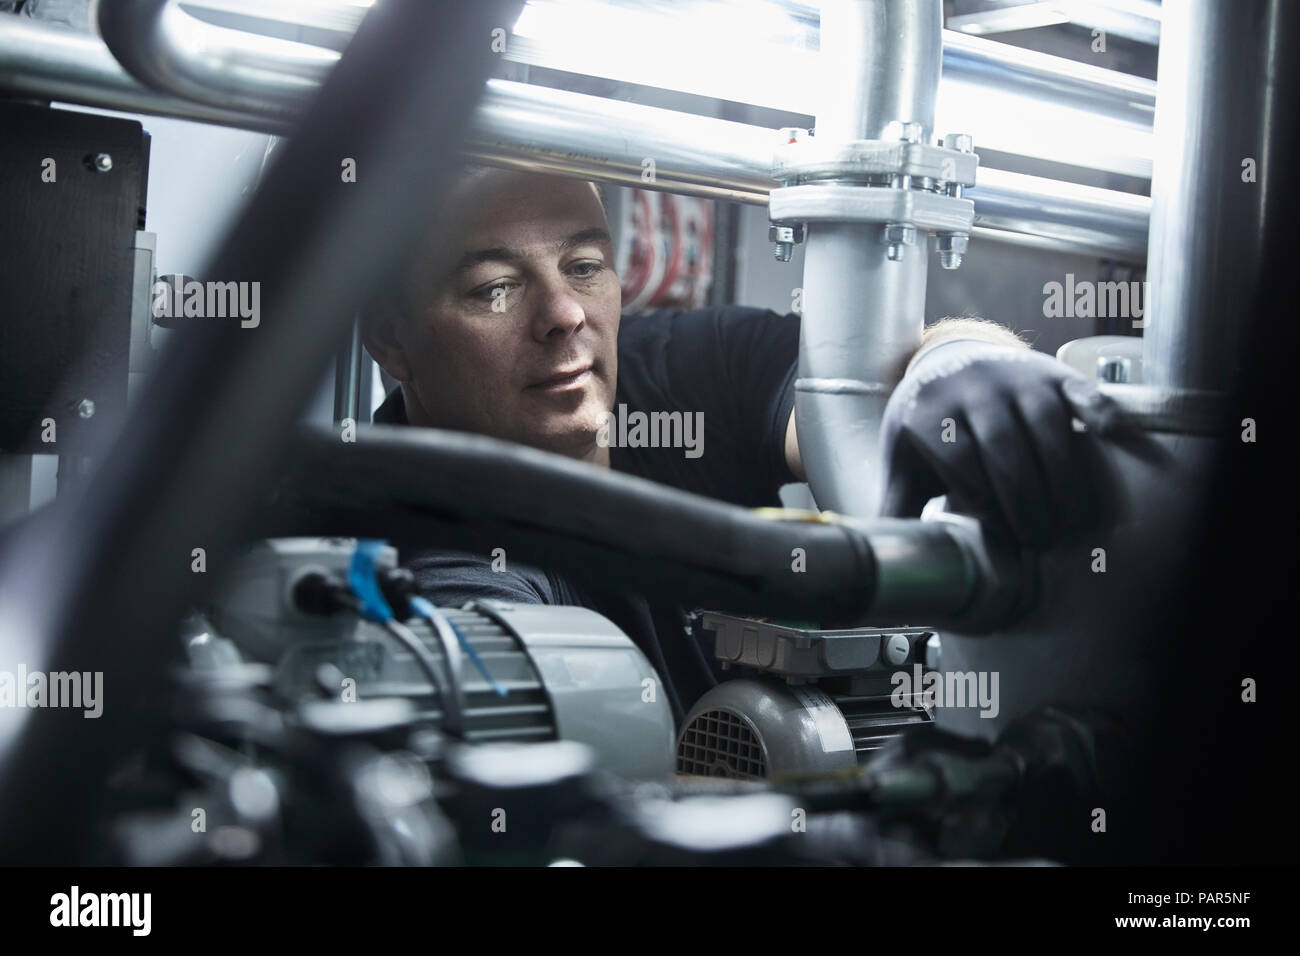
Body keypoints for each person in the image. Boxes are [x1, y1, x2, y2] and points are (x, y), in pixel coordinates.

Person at [361, 165, 1121, 724]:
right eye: (495, 286)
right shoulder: (409, 556)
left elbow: (867, 383)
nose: (563, 313)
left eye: (585, 267)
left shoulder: (691, 368)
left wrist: (961, 369)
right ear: (392, 342)